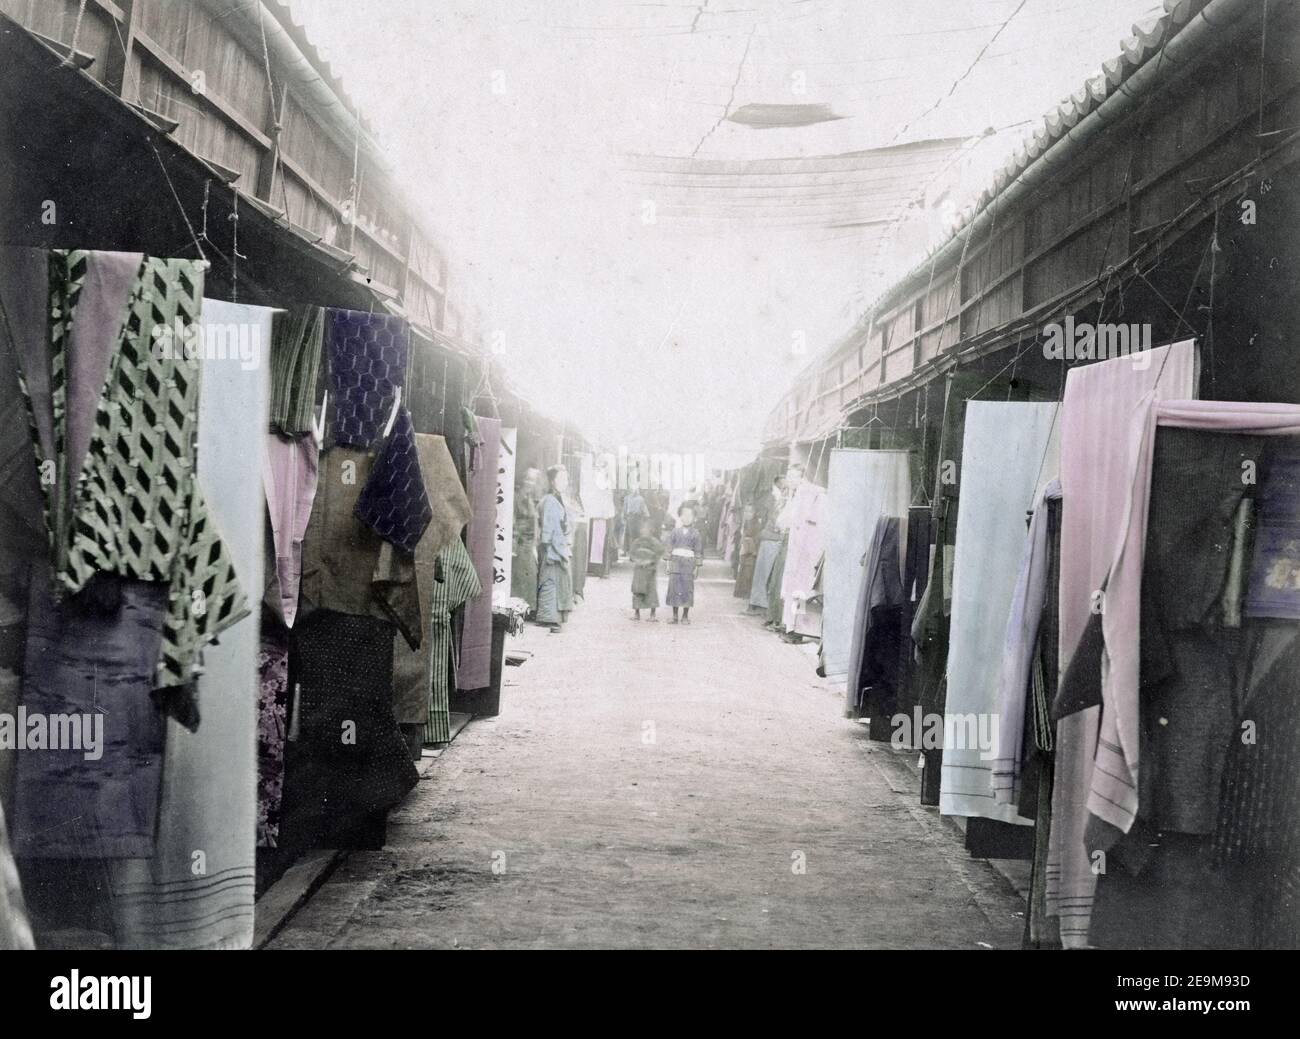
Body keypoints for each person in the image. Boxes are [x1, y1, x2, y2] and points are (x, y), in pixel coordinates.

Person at [535, 465, 573, 632]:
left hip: (558, 544)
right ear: (552, 481)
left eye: (566, 479)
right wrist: (558, 548)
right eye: (560, 479)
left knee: (558, 582)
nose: (564, 482)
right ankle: (547, 617)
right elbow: (549, 529)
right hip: (552, 547)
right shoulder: (550, 500)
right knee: (550, 581)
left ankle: (554, 616)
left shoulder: (559, 498)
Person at [666, 502, 704, 624]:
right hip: (676, 563)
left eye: (690, 515)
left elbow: (698, 551)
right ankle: (675, 615)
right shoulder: (674, 532)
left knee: (687, 589)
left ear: (694, 518)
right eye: (684, 515)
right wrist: (668, 564)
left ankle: (685, 615)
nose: (686, 518)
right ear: (680, 516)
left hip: (688, 564)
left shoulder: (696, 534)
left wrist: (697, 567)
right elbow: (669, 549)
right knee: (674, 588)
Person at [511, 467, 541, 614]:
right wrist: (514, 543)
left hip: (530, 543)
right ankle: (520, 609)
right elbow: (514, 520)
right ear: (523, 479)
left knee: (530, 575)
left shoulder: (529, 498)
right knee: (520, 577)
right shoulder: (517, 497)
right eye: (529, 479)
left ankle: (528, 608)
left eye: (534, 480)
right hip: (520, 542)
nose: (531, 483)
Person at [629, 522, 664, 621]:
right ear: (639, 531)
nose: (644, 531)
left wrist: (651, 561)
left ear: (651, 531)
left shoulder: (655, 542)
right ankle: (637, 614)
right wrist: (638, 560)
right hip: (639, 571)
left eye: (647, 529)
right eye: (642, 529)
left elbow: (659, 552)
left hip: (650, 571)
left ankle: (652, 615)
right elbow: (631, 555)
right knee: (637, 592)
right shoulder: (636, 542)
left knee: (651, 592)